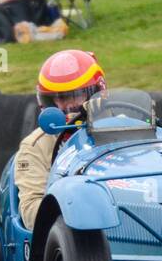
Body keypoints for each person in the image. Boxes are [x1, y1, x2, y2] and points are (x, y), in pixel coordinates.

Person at [14, 49, 106, 228]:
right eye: (62, 98)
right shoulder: (35, 145)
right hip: (69, 238)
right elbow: (30, 211)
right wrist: (78, 211)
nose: (71, 104)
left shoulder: (122, 127)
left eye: (77, 95)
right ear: (50, 103)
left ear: (97, 92)